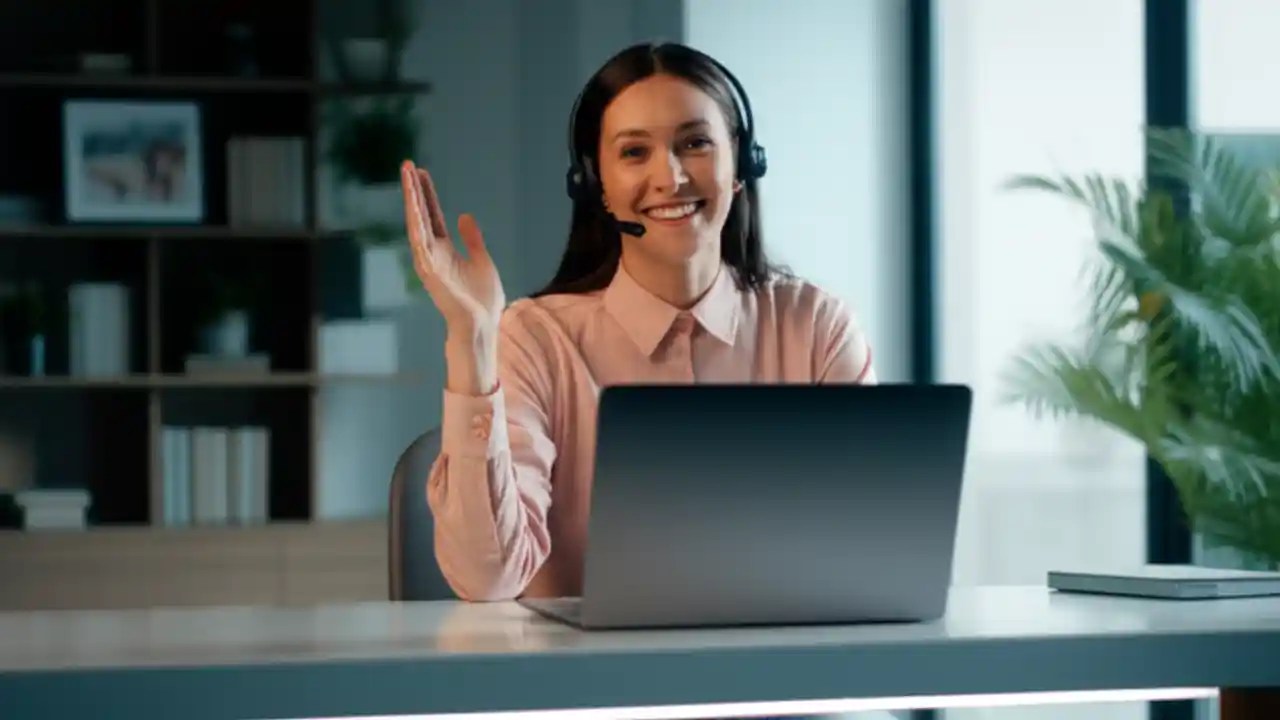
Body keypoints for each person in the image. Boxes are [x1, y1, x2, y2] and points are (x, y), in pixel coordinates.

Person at [400, 41, 877, 604]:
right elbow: (487, 579)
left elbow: (865, 558)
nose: (670, 177)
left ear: (744, 165)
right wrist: (473, 338)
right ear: (594, 185)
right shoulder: (535, 340)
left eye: (695, 143)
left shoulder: (816, 328)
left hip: (770, 678)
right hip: (588, 686)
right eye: (633, 153)